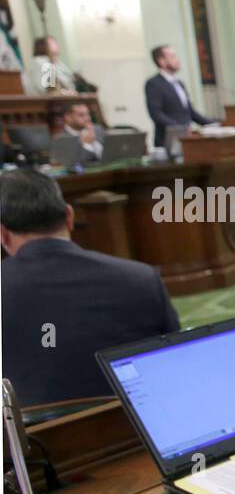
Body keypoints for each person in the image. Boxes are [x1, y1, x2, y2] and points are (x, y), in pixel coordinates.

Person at [1, 170, 180, 406]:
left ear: (3, 234)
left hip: (33, 438)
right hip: (133, 434)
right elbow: (178, 366)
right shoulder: (141, 279)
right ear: (69, 217)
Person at [144, 44, 215, 149]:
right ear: (161, 61)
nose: (177, 60)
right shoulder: (154, 84)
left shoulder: (179, 83)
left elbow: (190, 112)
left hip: (187, 138)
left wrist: (213, 124)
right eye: (172, 57)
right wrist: (179, 128)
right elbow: (156, 113)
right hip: (168, 141)